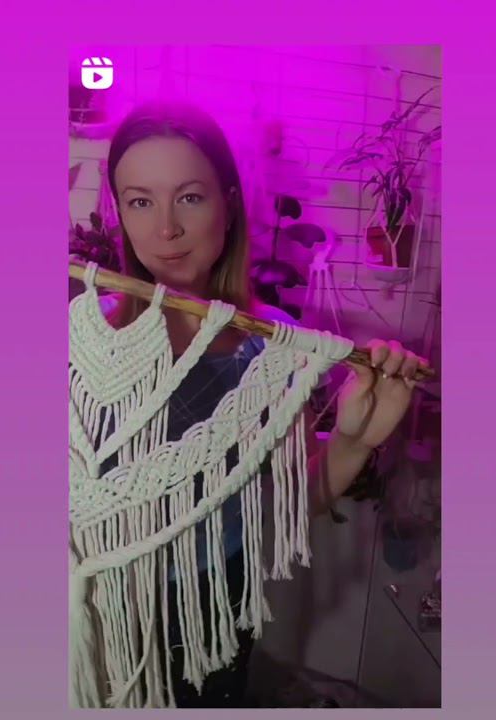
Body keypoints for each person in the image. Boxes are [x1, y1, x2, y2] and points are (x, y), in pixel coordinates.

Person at [84, 100, 427, 707]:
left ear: (228, 203)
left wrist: (356, 440)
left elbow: (295, 501)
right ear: (119, 211)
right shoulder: (85, 339)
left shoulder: (274, 347)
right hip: (98, 598)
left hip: (216, 600)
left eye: (190, 197)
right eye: (140, 201)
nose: (166, 229)